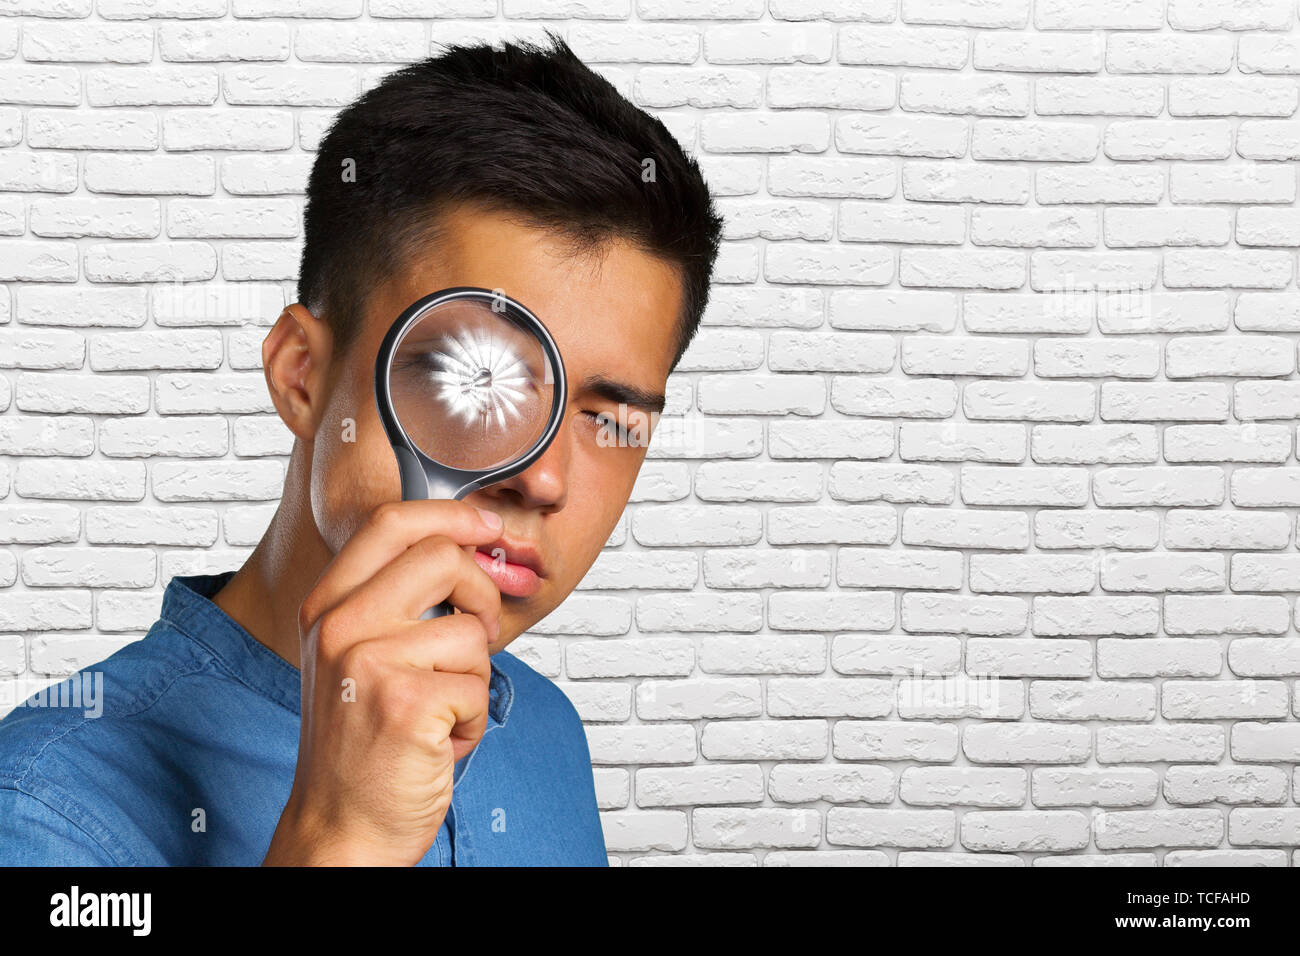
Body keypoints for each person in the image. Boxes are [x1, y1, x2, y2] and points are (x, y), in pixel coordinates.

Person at [0, 32, 722, 866]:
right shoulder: (43, 812)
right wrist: (345, 839)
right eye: (477, 377)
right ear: (303, 375)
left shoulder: (544, 730)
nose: (545, 477)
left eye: (610, 418)